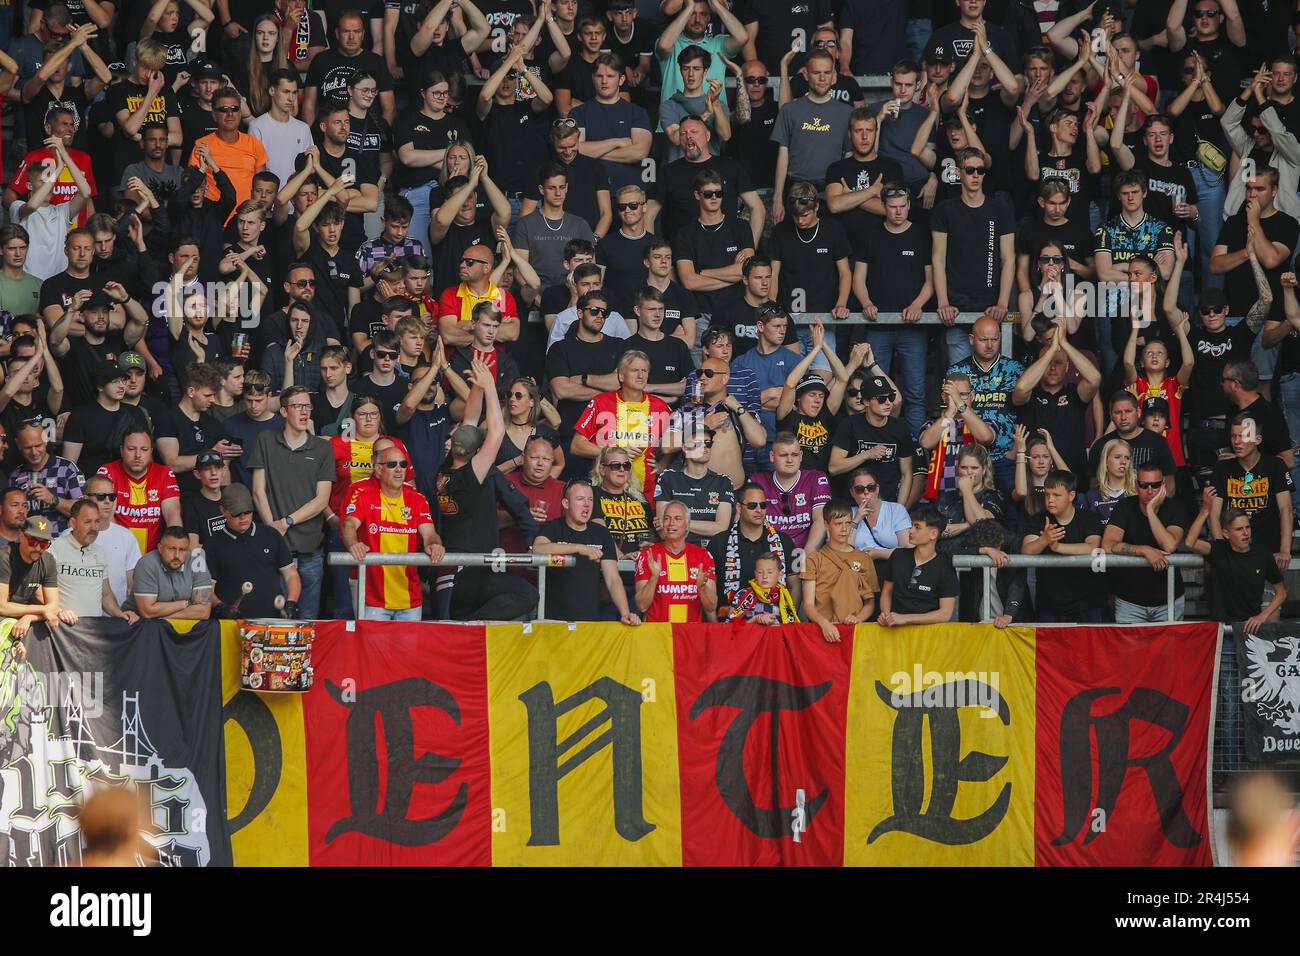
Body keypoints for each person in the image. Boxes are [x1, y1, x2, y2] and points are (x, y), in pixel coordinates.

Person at [437, 358, 538, 620]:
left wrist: (478, 387)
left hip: (456, 571)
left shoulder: (446, 471)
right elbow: (496, 432)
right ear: (475, 453)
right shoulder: (472, 475)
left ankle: (472, 626)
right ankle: (476, 626)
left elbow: (470, 418)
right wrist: (491, 387)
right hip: (471, 572)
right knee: (528, 595)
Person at [247, 385, 334, 620]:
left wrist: (286, 521)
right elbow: (258, 491)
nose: (304, 412)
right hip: (275, 548)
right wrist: (274, 529)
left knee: (307, 621)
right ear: (284, 411)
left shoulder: (323, 448)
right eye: (298, 406)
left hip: (310, 548)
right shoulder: (265, 440)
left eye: (308, 406)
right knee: (273, 619)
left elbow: (322, 499)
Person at [930, 147, 1016, 365]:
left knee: (995, 388)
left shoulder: (1000, 209)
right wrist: (943, 303)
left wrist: (1003, 303)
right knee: (958, 385)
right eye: (970, 170)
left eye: (980, 170)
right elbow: (937, 259)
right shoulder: (945, 210)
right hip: (956, 311)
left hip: (991, 311)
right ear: (959, 173)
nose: (976, 175)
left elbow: (1008, 259)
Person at [343, 442, 444, 621]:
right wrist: (353, 543)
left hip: (410, 597)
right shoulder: (364, 494)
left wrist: (434, 545)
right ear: (378, 469)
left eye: (403, 464)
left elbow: (429, 533)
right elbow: (349, 524)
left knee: (407, 650)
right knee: (373, 649)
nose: (399, 469)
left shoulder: (417, 499)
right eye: (392, 464)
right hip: (373, 598)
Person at [532, 477, 640, 624]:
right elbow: (538, 549)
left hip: (589, 620)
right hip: (554, 621)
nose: (586, 505)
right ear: (566, 503)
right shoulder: (554, 527)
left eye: (590, 500)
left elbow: (613, 579)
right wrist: (578, 548)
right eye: (580, 499)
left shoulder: (601, 533)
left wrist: (625, 612)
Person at [571, 349, 674, 501]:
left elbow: (677, 440)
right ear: (621, 375)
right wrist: (614, 453)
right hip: (605, 493)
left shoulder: (660, 406)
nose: (641, 375)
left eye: (644, 370)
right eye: (635, 370)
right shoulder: (601, 402)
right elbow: (576, 446)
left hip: (647, 494)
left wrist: (664, 463)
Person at [1186, 493, 1286, 635]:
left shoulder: (1263, 554)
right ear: (1226, 533)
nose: (1246, 533)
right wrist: (1205, 511)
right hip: (1221, 628)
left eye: (1248, 527)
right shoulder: (1218, 549)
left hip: (1250, 630)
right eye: (1239, 529)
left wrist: (1263, 615)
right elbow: (1190, 542)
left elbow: (1281, 592)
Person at [770, 49, 852, 220]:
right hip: (796, 192)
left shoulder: (847, 113)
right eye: (816, 73)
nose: (822, 78)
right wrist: (777, 198)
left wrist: (846, 193)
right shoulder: (790, 110)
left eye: (827, 72)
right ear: (806, 75)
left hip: (832, 194)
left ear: (834, 75)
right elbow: (782, 155)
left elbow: (849, 155)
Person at [1102, 462, 1188, 623]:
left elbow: (1169, 545)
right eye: (1144, 485)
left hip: (1168, 599)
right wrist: (1144, 550)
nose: (1150, 491)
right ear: (1136, 485)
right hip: (1130, 601)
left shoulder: (1176, 507)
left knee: (1167, 649)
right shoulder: (1125, 506)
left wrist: (1150, 510)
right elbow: (1107, 544)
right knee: (1129, 649)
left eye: (1155, 485)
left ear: (1163, 485)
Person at [204, 483, 301, 620]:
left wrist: (291, 602)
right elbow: (207, 587)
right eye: (237, 513)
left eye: (247, 512)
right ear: (223, 510)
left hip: (271, 621)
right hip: (231, 624)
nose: (243, 517)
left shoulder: (271, 535)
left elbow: (291, 574)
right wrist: (220, 607)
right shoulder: (213, 544)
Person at [1211, 412, 1294, 572]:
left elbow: (1286, 509)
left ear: (1257, 439)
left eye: (1243, 436)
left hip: (1267, 550)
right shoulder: (1222, 469)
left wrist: (1285, 550)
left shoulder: (1275, 466)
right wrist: (1222, 550)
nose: (1236, 442)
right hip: (1232, 551)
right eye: (1233, 436)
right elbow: (1214, 514)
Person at [1020, 469, 1105, 621]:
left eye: (1056, 495)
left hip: (1088, 604)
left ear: (1071, 495)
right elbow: (1026, 551)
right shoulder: (1038, 520)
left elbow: (1093, 547)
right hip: (1049, 605)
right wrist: (1043, 540)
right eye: (1047, 494)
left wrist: (1057, 547)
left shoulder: (1089, 518)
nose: (1050, 500)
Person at [800, 499, 877, 641]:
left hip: (855, 631)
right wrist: (824, 624)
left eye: (848, 523)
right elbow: (808, 604)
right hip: (822, 631)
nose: (844, 529)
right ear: (826, 524)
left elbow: (870, 603)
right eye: (838, 524)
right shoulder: (813, 559)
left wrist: (858, 618)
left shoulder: (864, 558)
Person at [49, 498, 134, 622]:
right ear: (73, 523)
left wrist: (119, 614)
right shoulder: (53, 547)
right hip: (63, 630)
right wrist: (58, 611)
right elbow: (38, 588)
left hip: (93, 632)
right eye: (88, 522)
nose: (94, 527)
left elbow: (106, 594)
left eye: (97, 521)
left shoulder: (99, 552)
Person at [634, 499, 716, 623]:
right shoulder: (647, 554)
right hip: (657, 634)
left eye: (678, 519)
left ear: (687, 525)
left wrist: (702, 588)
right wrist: (654, 577)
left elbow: (711, 606)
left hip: (690, 635)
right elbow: (641, 606)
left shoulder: (703, 556)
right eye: (667, 518)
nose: (671, 523)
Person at [877, 503, 958, 627]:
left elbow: (945, 613)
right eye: (911, 526)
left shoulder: (944, 565)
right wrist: (886, 614)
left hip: (929, 636)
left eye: (917, 527)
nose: (910, 531)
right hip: (895, 632)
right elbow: (887, 592)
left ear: (933, 534)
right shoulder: (897, 556)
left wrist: (906, 618)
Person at [749, 433, 830, 551]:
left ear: (801, 456)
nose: (790, 460)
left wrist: (805, 556)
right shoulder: (757, 481)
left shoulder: (817, 478)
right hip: (767, 554)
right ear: (772, 456)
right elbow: (747, 521)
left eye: (795, 455)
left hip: (805, 552)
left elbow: (821, 519)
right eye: (783, 455)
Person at [654, 430, 733, 546]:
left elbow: (721, 527)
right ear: (685, 448)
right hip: (677, 549)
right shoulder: (668, 478)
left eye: (708, 443)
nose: (704, 447)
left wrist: (680, 523)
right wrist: (705, 526)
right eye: (697, 443)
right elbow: (663, 531)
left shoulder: (723, 481)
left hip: (712, 551)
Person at [0, 514, 73, 640]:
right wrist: (43, 610)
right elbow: (2, 607)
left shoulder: (48, 560)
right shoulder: (4, 557)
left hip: (19, 617)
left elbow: (52, 606)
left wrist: (29, 617)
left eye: (44, 544)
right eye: (33, 541)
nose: (38, 548)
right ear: (21, 536)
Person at [124, 525, 213, 621]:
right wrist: (185, 604)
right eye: (172, 549)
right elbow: (147, 612)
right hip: (137, 625)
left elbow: (204, 611)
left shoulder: (198, 562)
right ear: (160, 548)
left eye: (182, 550)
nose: (177, 555)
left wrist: (162, 616)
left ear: (188, 550)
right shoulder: (147, 563)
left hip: (177, 627)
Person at [9, 420, 84, 534]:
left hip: (62, 543)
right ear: (18, 445)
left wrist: (52, 499)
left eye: (38, 445)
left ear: (46, 440)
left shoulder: (67, 468)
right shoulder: (15, 477)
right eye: (28, 447)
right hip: (30, 545)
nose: (34, 452)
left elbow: (84, 511)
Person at [590, 445, 657, 557]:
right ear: (602, 469)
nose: (622, 469)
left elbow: (651, 532)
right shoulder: (591, 494)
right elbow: (598, 531)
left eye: (626, 465)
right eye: (615, 465)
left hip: (642, 562)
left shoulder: (639, 497)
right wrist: (622, 557)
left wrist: (651, 544)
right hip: (607, 563)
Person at [849, 466, 913, 562]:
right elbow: (842, 549)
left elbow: (907, 548)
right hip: (858, 568)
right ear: (852, 493)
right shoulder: (848, 513)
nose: (866, 492)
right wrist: (857, 519)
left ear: (877, 489)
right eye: (860, 489)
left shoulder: (896, 510)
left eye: (871, 488)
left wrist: (878, 553)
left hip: (890, 567)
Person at [726, 553, 799, 625]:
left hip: (775, 636)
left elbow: (791, 629)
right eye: (760, 572)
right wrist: (754, 620)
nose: (765, 576)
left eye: (769, 572)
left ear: (780, 575)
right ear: (755, 574)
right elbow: (729, 625)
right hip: (750, 636)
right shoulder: (742, 595)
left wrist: (777, 626)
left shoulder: (785, 597)